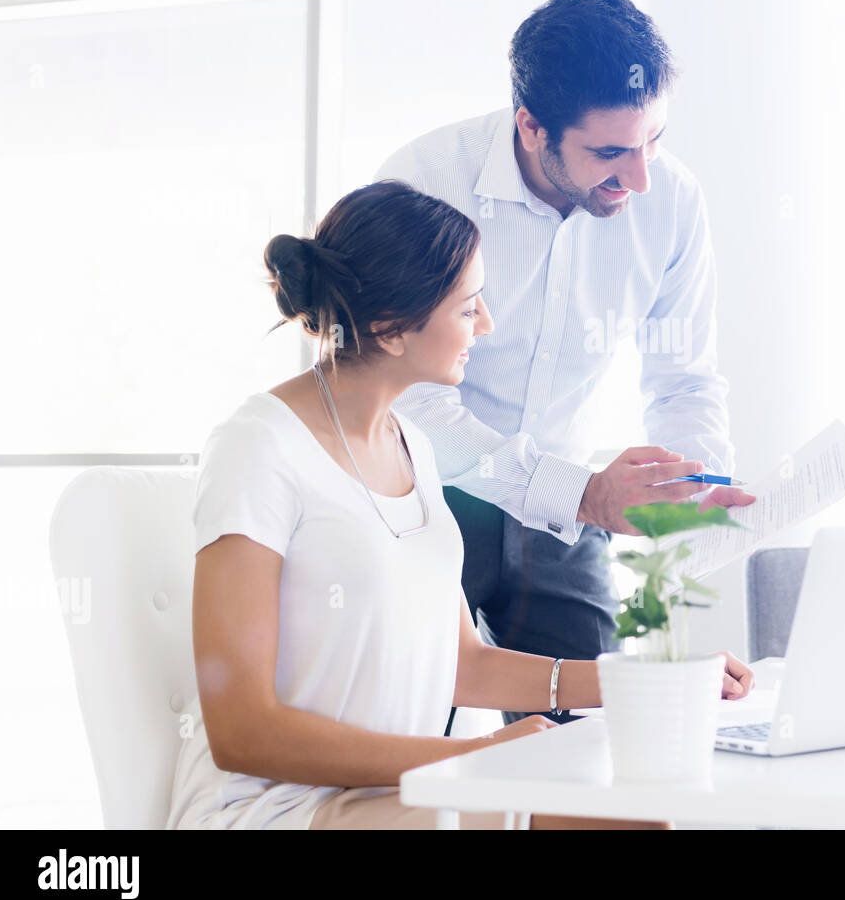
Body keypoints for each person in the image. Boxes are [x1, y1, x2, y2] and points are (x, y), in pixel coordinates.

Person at [165, 180, 753, 830]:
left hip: (402, 795)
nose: (488, 324)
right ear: (392, 329)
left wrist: (652, 680)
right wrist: (473, 755)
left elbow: (464, 662)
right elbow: (240, 730)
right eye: (468, 306)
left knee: (647, 817)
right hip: (274, 808)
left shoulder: (412, 443)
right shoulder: (258, 448)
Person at [376, 0, 755, 726]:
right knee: (409, 715)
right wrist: (580, 492)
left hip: (559, 518)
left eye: (652, 141)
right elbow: (404, 396)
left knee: (597, 737)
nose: (639, 177)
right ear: (531, 125)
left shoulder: (671, 200)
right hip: (426, 497)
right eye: (610, 152)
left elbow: (684, 377)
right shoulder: (424, 185)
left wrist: (692, 480)